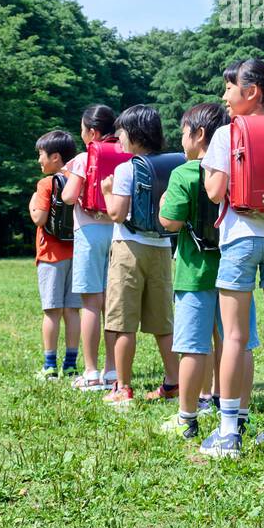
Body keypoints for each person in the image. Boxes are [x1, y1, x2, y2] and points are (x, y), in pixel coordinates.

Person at [200, 58, 264, 459]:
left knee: (235, 336)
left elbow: (213, 191)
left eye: (230, 88)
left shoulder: (228, 133)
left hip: (241, 241)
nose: (225, 96)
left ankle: (228, 433)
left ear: (252, 91)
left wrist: (208, 163)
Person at [158, 103, 258, 440]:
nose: (180, 137)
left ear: (199, 135)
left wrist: (161, 205)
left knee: (193, 347)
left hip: (195, 271)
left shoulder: (184, 173)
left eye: (184, 131)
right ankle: (240, 414)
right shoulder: (237, 167)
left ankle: (187, 417)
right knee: (239, 343)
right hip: (237, 270)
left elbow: (169, 221)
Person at [100, 105, 179, 405]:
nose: (118, 136)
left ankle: (122, 387)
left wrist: (107, 191)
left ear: (133, 134)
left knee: (122, 321)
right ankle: (173, 384)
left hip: (128, 248)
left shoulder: (125, 169)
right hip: (161, 248)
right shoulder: (171, 165)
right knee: (163, 323)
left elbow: (118, 214)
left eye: (121, 131)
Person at [60, 104, 119, 391]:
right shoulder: (125, 154)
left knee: (90, 304)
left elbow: (69, 196)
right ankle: (112, 370)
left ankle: (91, 371)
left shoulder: (84, 158)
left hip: (89, 231)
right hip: (118, 232)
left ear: (92, 132)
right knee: (112, 304)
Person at [28, 129, 80, 380]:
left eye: (41, 154)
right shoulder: (78, 178)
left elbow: (39, 217)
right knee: (72, 311)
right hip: (77, 252)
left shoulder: (46, 183)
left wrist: (31, 203)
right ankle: (71, 364)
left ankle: (49, 366)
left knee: (52, 311)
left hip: (51, 254)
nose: (39, 160)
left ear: (55, 157)